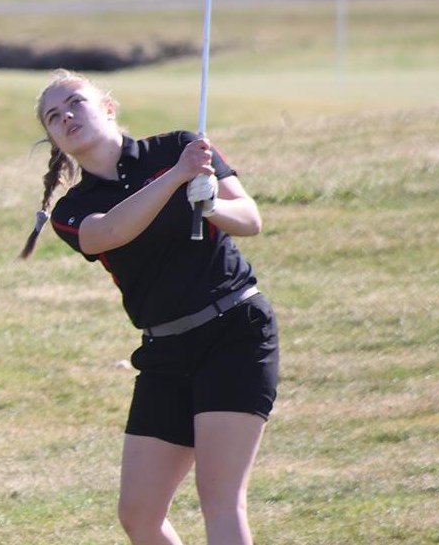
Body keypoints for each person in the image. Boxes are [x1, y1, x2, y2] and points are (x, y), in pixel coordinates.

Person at [19, 69, 280, 545]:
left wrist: (209, 204)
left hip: (234, 330)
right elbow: (110, 232)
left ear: (108, 106)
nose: (67, 116)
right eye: (54, 117)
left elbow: (250, 219)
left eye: (75, 102)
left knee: (218, 498)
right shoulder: (71, 210)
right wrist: (178, 178)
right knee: (139, 514)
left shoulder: (178, 147)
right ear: (55, 140)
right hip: (165, 352)